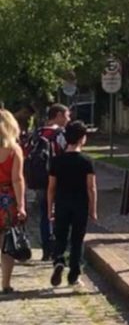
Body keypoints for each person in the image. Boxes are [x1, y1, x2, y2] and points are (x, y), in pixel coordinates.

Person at [47, 121, 96, 288]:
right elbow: (91, 188)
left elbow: (51, 188)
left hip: (62, 203)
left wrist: (49, 209)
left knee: (60, 235)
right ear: (82, 138)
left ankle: (59, 260)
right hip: (80, 204)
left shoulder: (56, 161)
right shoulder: (86, 161)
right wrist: (93, 209)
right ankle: (74, 274)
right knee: (77, 239)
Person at [23, 103, 68, 261]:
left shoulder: (38, 133)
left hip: (40, 179)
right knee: (59, 213)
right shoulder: (60, 134)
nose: (68, 119)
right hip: (57, 178)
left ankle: (46, 249)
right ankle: (58, 249)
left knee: (44, 213)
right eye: (67, 115)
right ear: (58, 115)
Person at [0, 109, 27, 294]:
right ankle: (6, 283)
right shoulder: (14, 150)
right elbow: (17, 179)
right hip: (7, 198)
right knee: (7, 242)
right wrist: (21, 205)